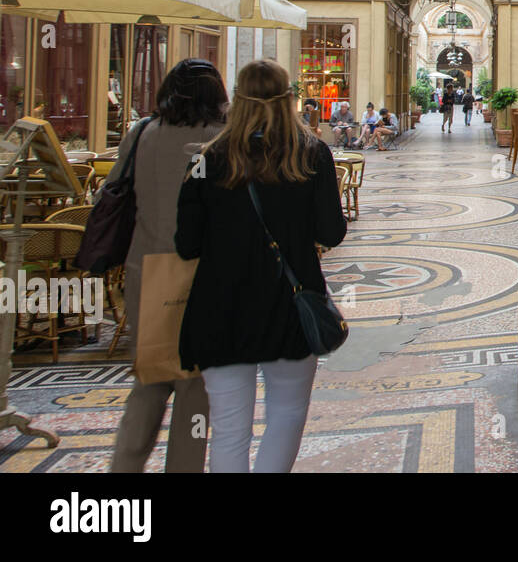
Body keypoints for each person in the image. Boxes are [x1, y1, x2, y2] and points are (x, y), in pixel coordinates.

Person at [176, 59, 347, 473]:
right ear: (289, 99)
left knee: (230, 430)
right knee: (286, 417)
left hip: (221, 309)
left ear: (236, 99)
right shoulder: (312, 154)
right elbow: (332, 232)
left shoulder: (204, 159)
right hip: (290, 306)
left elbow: (185, 245)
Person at [110, 58, 227, 473]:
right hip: (202, 277)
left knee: (147, 383)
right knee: (195, 390)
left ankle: (124, 470)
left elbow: (113, 192)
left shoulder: (141, 134)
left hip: (146, 273)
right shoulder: (223, 139)